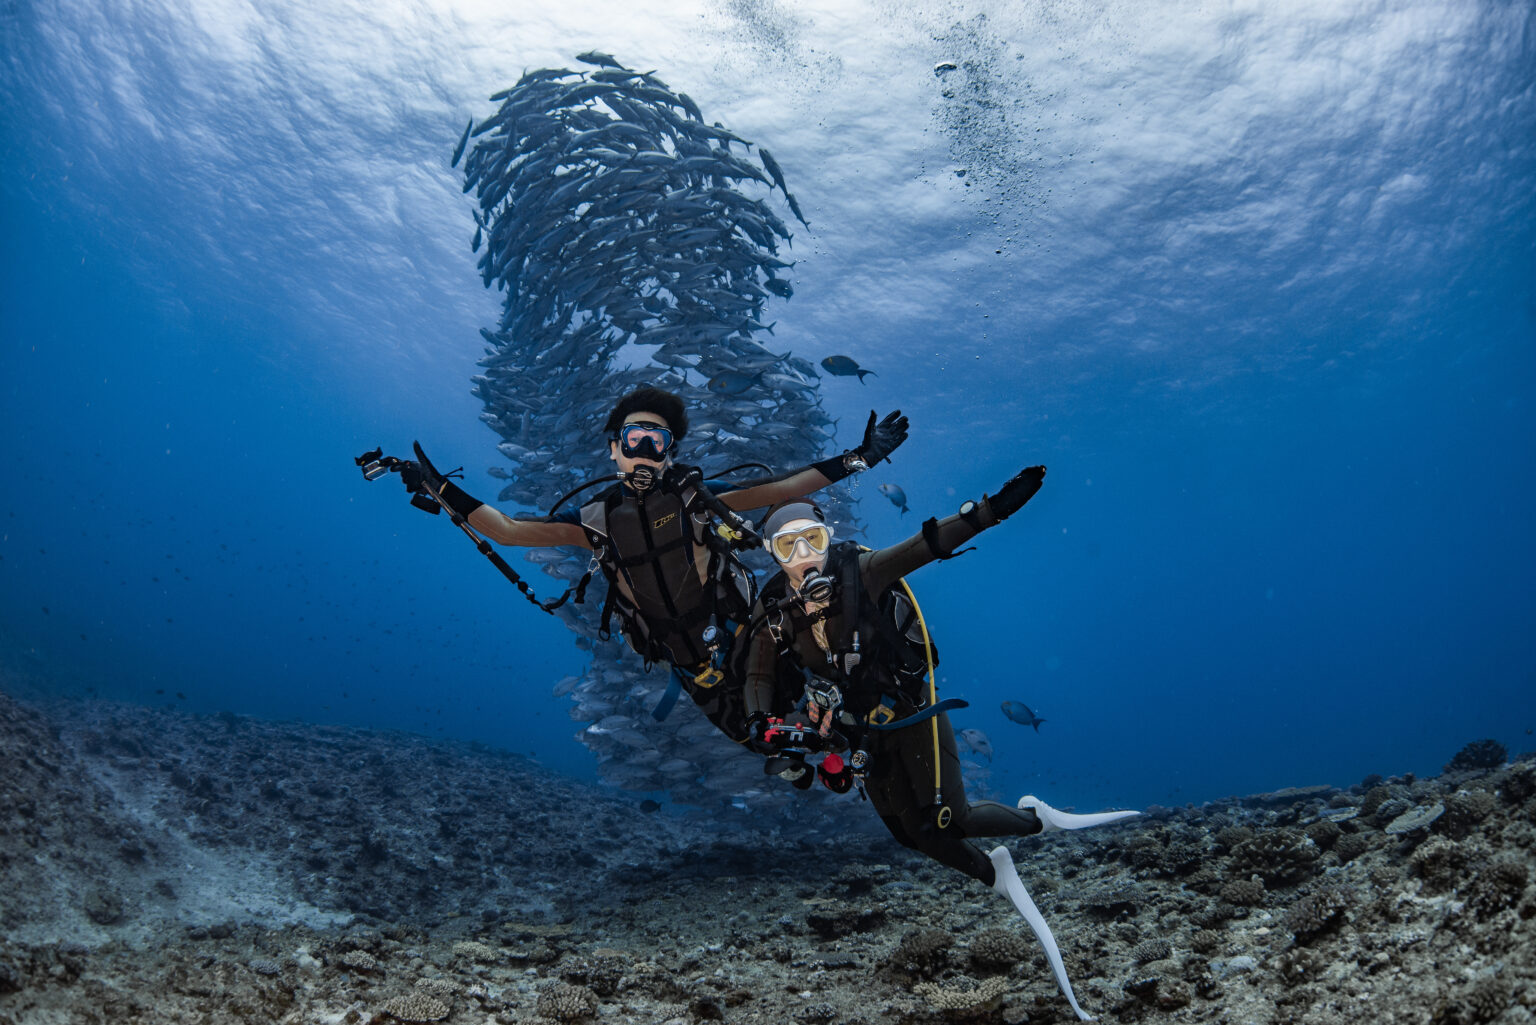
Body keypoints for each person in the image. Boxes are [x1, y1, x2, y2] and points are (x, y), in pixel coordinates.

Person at [739, 475, 1137, 1021]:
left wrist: (990, 512)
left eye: (813, 539)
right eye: (788, 546)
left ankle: (1035, 820)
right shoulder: (775, 614)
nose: (804, 555)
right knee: (912, 835)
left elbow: (927, 545)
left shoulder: (863, 571)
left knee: (950, 817)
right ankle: (996, 873)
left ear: (830, 540)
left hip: (912, 712)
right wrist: (763, 723)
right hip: (862, 733)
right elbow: (759, 672)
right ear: (773, 556)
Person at [390, 386, 908, 742]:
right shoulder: (594, 520)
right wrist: (439, 488)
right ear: (614, 449)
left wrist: (860, 457)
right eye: (634, 440)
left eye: (656, 443)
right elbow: (508, 530)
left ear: (669, 452)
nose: (645, 452)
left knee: (835, 706)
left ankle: (884, 718)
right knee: (762, 743)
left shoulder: (695, 497)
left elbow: (782, 488)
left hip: (745, 636)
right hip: (686, 665)